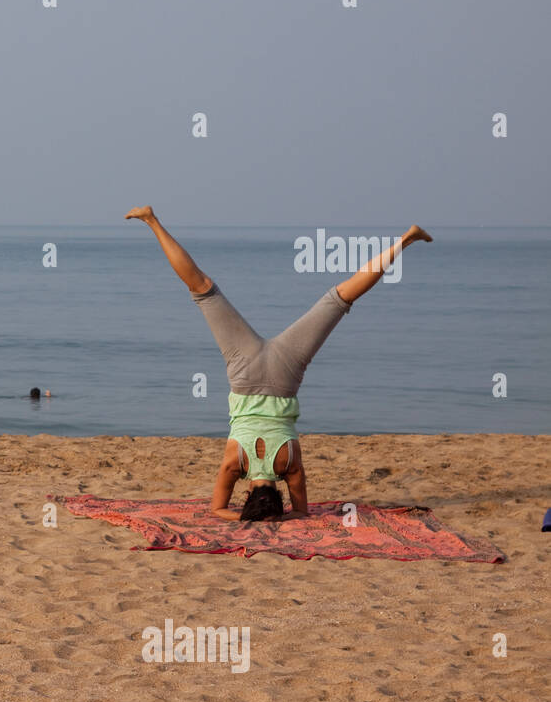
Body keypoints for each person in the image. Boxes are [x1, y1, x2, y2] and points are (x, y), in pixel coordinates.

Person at [124, 205, 432, 521]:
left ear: (278, 496)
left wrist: (281, 517)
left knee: (339, 300)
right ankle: (152, 220)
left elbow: (300, 512)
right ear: (246, 496)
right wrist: (244, 517)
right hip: (244, 373)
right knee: (202, 288)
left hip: (285, 377)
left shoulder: (290, 465)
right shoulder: (235, 464)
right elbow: (217, 509)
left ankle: (404, 241)